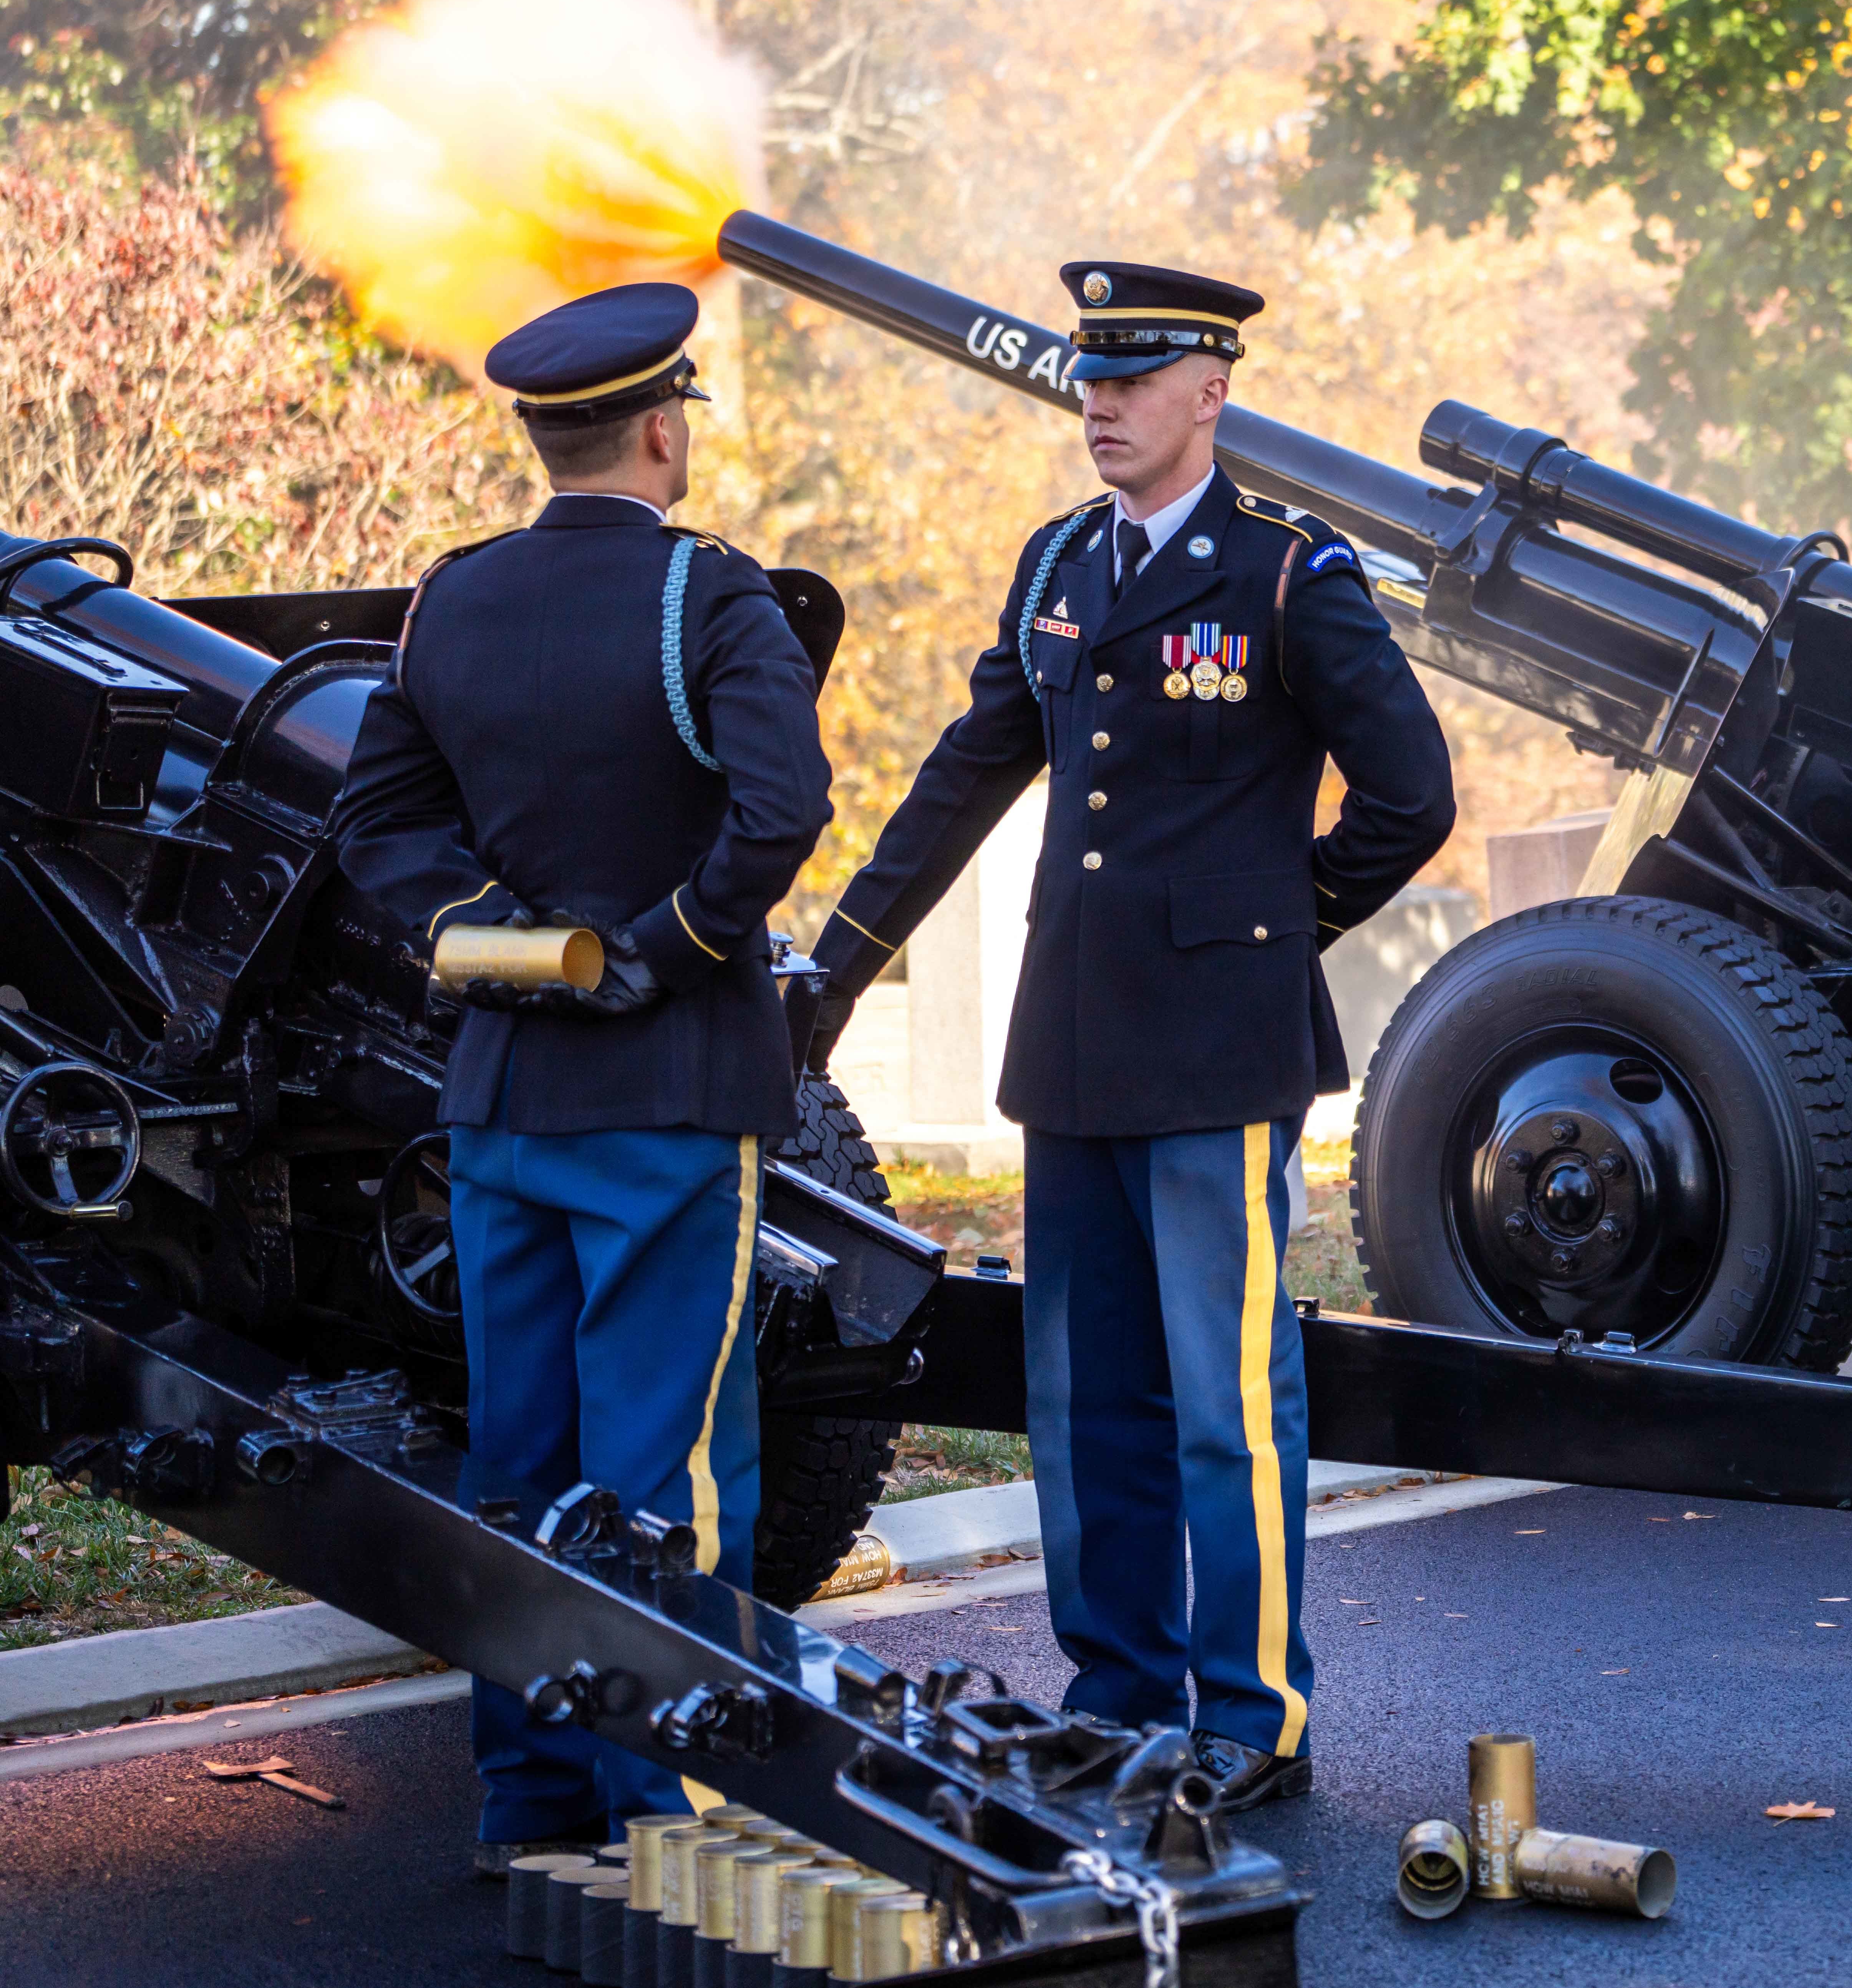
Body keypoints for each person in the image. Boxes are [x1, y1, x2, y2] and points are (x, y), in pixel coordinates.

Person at [803, 262, 1453, 1810]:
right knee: (1084, 1394)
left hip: (1218, 1051)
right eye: (1088, 380)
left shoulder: (1287, 574)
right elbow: (962, 778)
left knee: (1225, 1402)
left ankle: (1253, 1712)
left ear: (1209, 392)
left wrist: (1273, 928)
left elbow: (1412, 794)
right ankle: (1115, 1688)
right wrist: (834, 967)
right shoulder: (1056, 565)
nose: (1098, 405)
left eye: (1131, 379)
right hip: (1074, 1047)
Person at [332, 282, 833, 1871]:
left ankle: (533, 1802)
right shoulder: (709, 594)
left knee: (521, 1464)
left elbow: (376, 823)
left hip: (500, 1099)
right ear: (664, 429)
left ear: (547, 437)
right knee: (664, 1468)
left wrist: (508, 940)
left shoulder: (454, 598)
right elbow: (782, 808)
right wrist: (662, 947)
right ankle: (680, 1822)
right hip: (667, 1098)